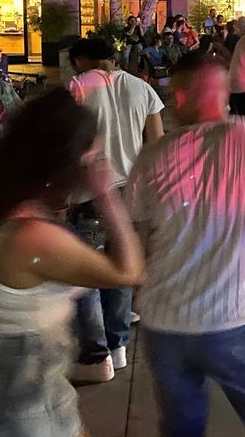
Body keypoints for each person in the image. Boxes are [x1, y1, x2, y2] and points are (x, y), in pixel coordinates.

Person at [129, 53, 245, 437]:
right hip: (237, 317)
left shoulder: (151, 156)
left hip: (165, 322)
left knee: (182, 427)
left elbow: (142, 241)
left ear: (179, 97)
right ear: (224, 92)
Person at [0, 89, 144, 437]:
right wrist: (107, 194)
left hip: (2, 389)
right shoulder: (34, 238)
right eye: (93, 158)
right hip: (30, 407)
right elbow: (130, 271)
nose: (99, 164)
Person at [66, 37, 164, 382]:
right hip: (131, 190)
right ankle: (118, 344)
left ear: (82, 60)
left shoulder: (78, 86)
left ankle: (97, 354)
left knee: (87, 273)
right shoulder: (142, 88)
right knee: (121, 266)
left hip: (90, 192)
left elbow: (68, 143)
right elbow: (157, 143)